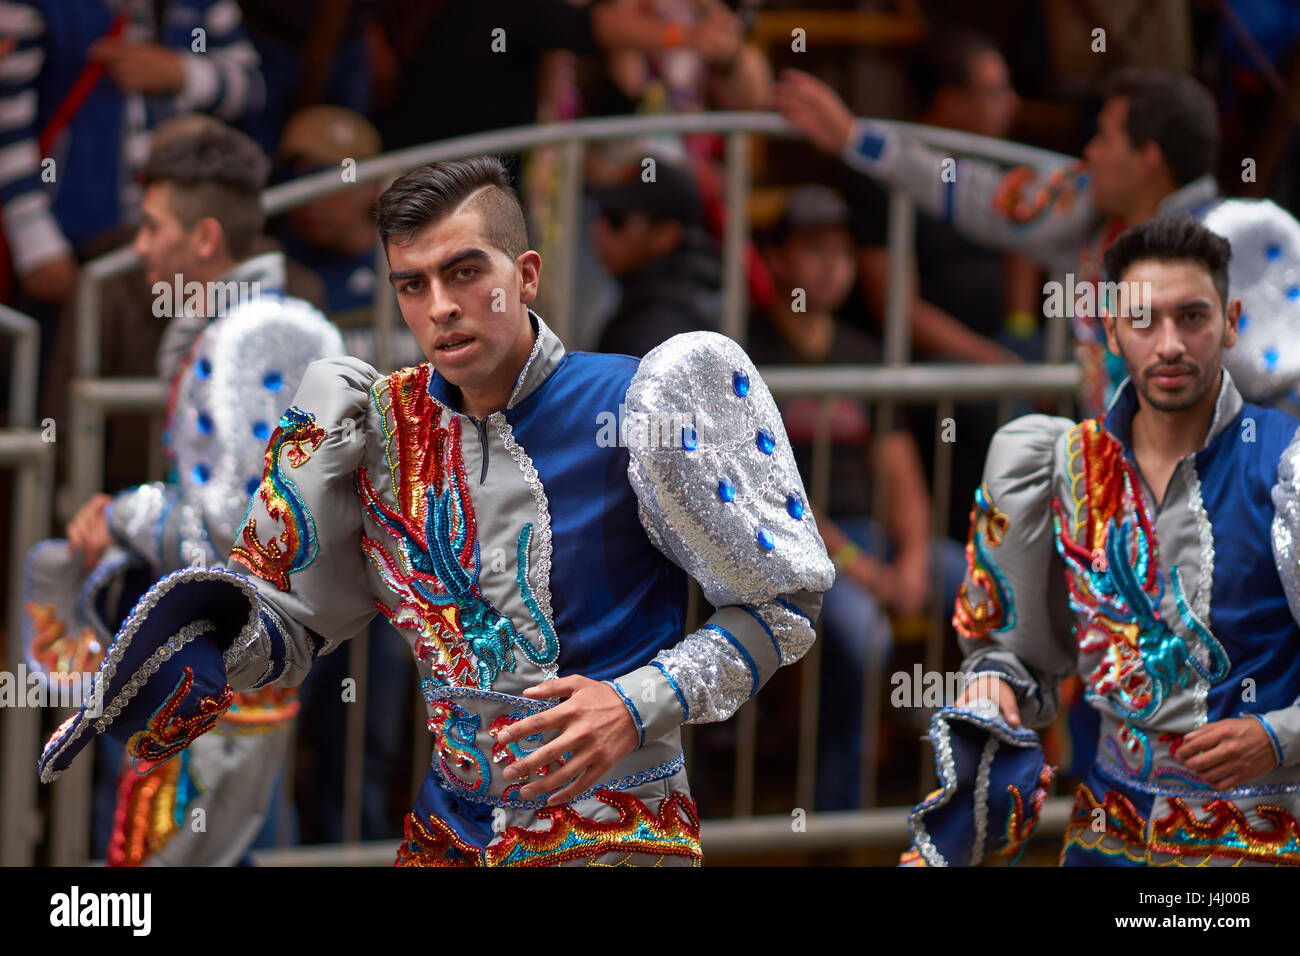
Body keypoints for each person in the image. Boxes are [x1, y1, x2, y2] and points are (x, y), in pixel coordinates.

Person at [37, 155, 834, 867]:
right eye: (413, 285)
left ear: (525, 274)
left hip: (617, 829)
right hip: (447, 830)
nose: (440, 306)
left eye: (463, 273)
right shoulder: (371, 429)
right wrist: (191, 636)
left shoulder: (642, 402)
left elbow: (784, 603)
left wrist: (636, 703)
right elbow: (297, 630)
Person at [24, 124, 343, 865]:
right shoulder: (250, 320)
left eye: (153, 226)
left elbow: (245, 533)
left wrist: (124, 513)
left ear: (203, 239)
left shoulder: (253, 333)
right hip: (224, 661)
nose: (140, 248)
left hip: (221, 664)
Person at [950, 215, 1300, 866]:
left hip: (1258, 843)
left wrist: (1277, 736)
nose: (1169, 344)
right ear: (1112, 330)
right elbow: (1019, 658)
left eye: (1192, 317)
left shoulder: (1285, 464)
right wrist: (994, 685)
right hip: (1106, 834)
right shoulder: (1063, 464)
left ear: (1231, 321)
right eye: (1144, 321)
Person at [775, 64, 1221, 420]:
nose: (1090, 152)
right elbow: (978, 194)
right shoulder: (1089, 211)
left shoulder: (1224, 255)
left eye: (1105, 138)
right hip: (1114, 494)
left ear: (1148, 160)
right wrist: (857, 140)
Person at [749, 184, 967, 809]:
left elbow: (901, 471)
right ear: (779, 261)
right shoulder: (750, 355)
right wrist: (869, 571)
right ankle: (835, 811)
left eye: (843, 252)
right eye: (814, 250)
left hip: (872, 542)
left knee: (988, 590)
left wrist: (914, 559)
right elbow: (778, 497)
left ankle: (959, 781)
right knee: (861, 635)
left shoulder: (861, 353)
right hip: (794, 551)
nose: (834, 266)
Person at [591, 156, 721, 358]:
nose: (599, 229)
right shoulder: (648, 304)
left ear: (665, 235)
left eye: (615, 218)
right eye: (599, 213)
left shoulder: (661, 330)